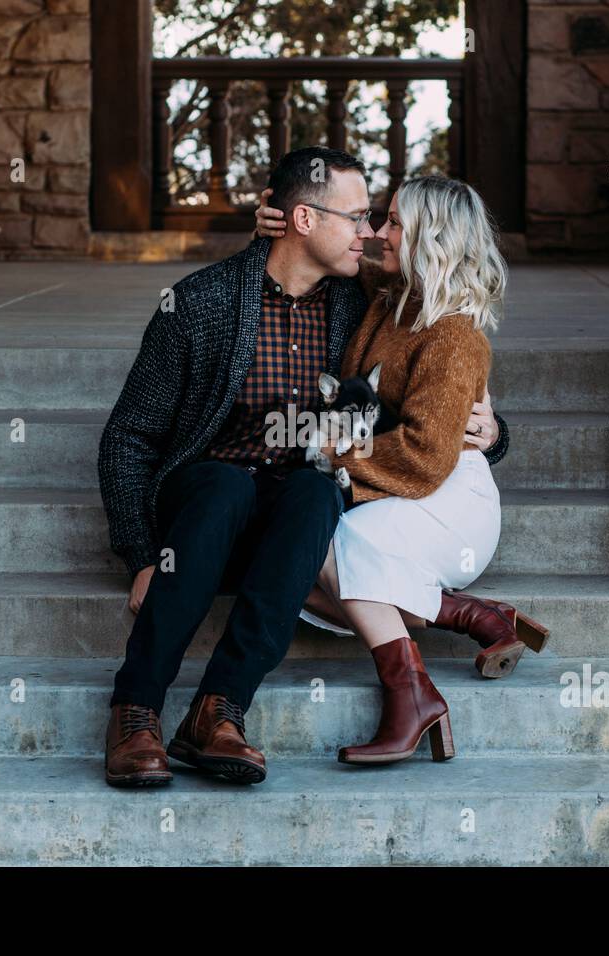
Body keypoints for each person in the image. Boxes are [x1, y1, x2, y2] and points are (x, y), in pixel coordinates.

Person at [97, 147, 510, 788]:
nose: (372, 233)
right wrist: (143, 554)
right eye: (359, 217)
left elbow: (435, 368)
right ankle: (136, 711)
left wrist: (493, 431)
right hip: (208, 498)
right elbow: (128, 436)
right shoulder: (202, 303)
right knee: (228, 485)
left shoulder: (357, 300)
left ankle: (219, 712)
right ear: (305, 222)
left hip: (294, 508)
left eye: (381, 220)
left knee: (316, 496)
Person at [255, 176, 550, 767]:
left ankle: (410, 693)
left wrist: (326, 458)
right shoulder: (393, 299)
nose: (374, 232)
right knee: (301, 561)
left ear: (430, 237)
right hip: (401, 488)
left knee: (319, 544)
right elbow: (330, 245)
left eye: (391, 222)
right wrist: (284, 222)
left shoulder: (453, 335)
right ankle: (467, 617)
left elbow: (422, 455)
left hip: (446, 502)